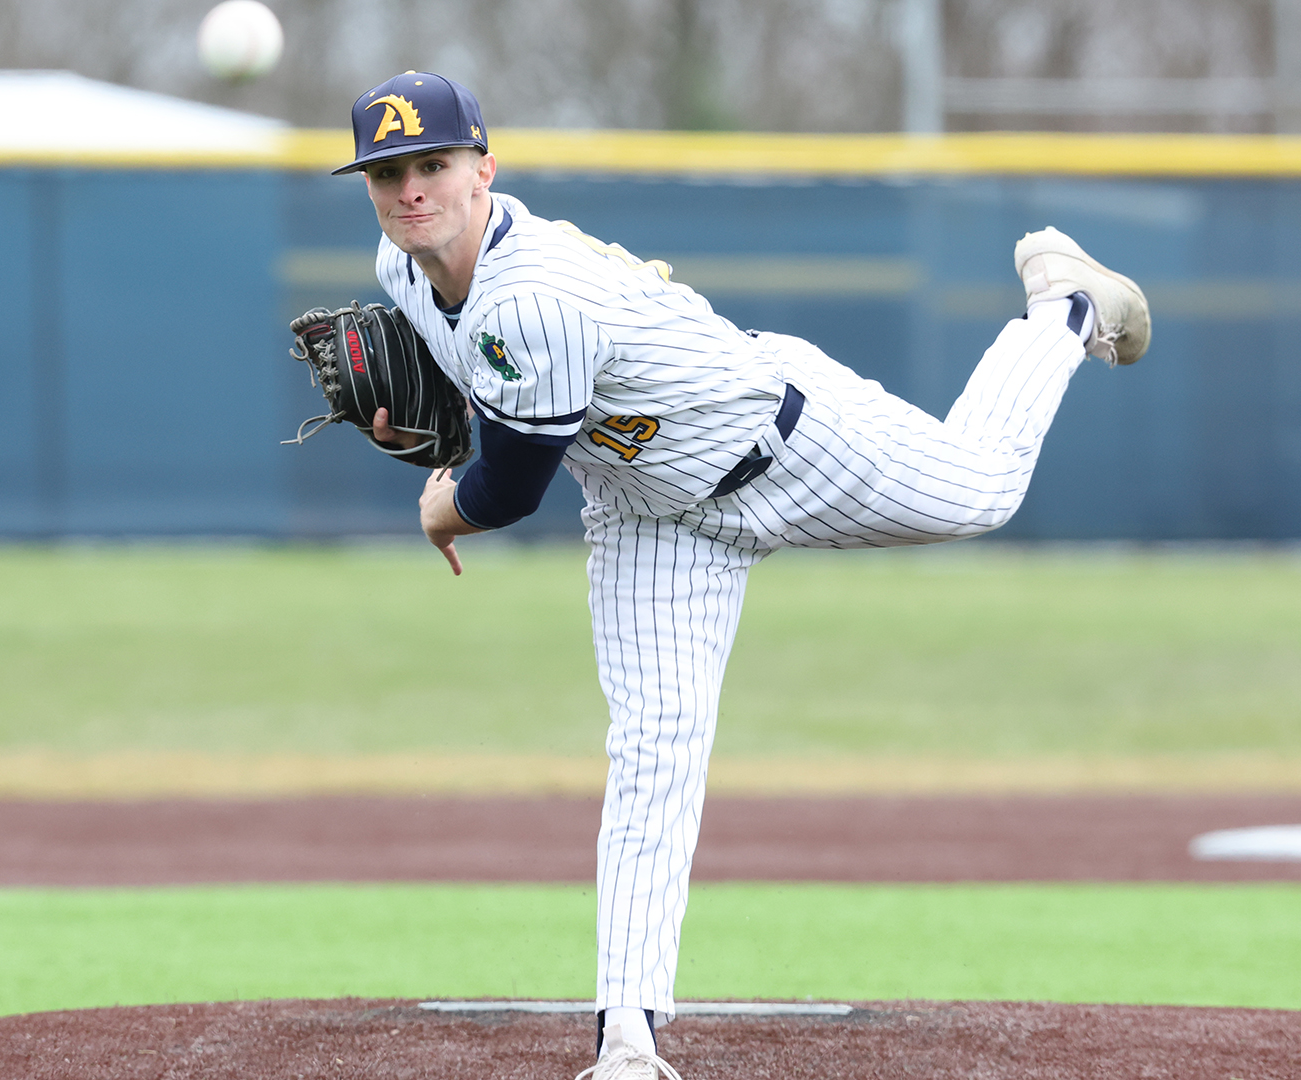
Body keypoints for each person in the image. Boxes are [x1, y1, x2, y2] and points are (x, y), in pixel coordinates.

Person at [333, 71, 1149, 1080]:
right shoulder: (398, 266)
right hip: (650, 517)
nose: (410, 190)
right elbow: (479, 395)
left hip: (782, 441)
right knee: (654, 750)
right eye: (386, 172)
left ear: (483, 168)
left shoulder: (535, 296)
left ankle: (1064, 306)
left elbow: (505, 489)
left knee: (984, 488)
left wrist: (439, 501)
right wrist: (429, 421)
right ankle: (626, 1039)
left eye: (433, 166)